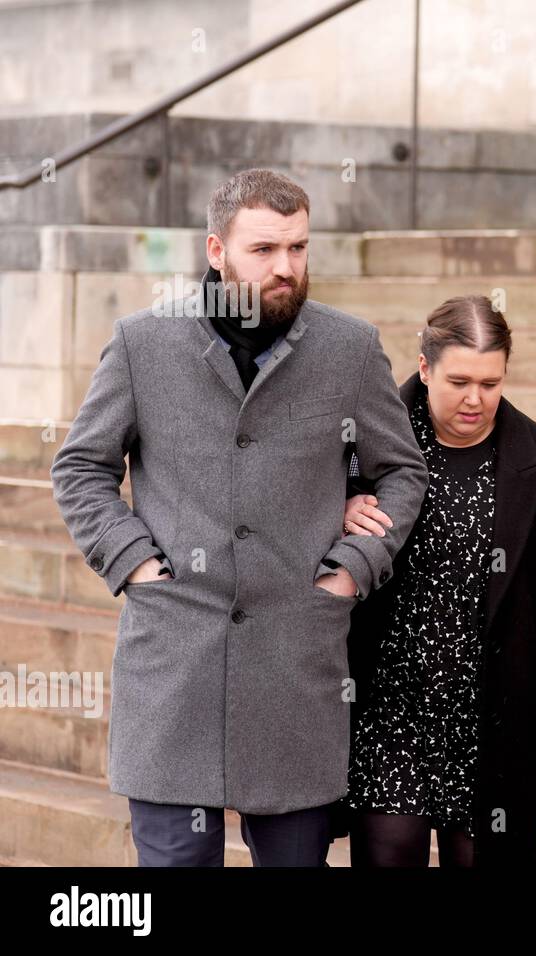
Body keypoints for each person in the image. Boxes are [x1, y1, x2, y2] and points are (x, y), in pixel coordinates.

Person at [50, 168, 429, 866]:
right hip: (174, 669)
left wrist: (352, 570)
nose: (285, 268)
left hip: (296, 670)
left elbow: (403, 471)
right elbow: (79, 468)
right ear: (216, 250)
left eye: (298, 248)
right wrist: (135, 563)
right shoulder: (143, 343)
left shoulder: (349, 348)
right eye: (264, 250)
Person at [337, 295, 536, 867]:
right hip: (388, 709)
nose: (475, 399)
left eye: (490, 382)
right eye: (458, 380)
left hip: (496, 720)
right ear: (425, 367)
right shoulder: (362, 450)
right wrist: (339, 507)